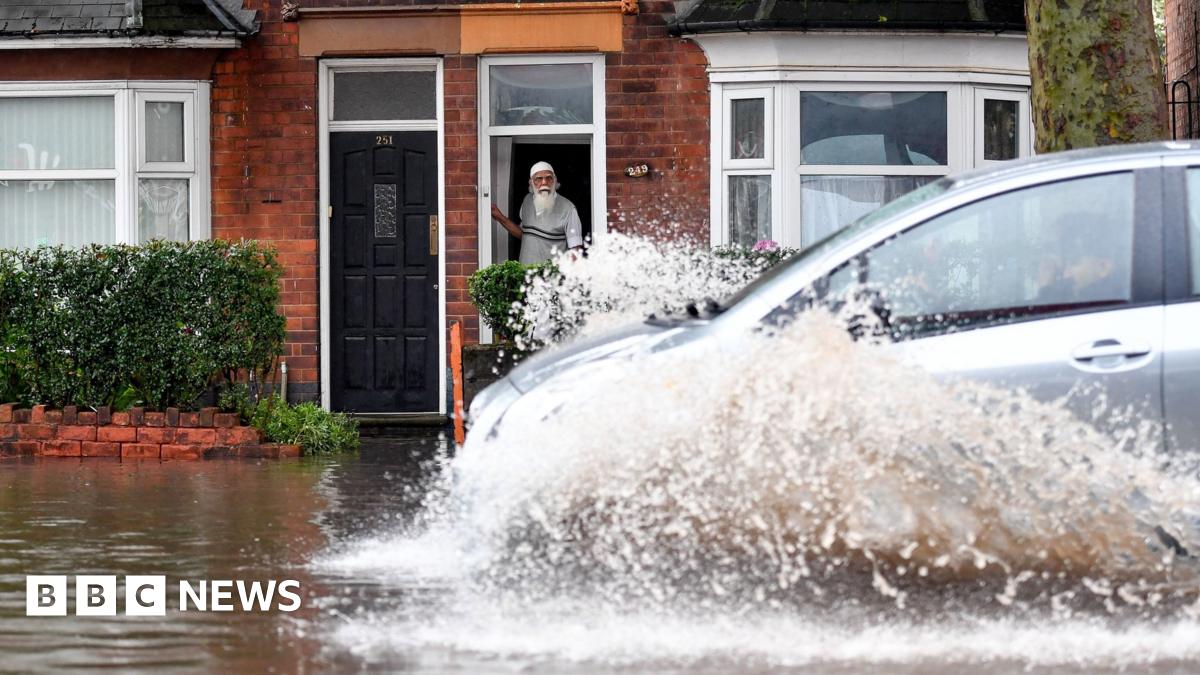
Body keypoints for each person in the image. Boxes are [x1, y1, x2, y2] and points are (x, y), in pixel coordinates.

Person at [490, 162, 584, 263]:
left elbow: (575, 250)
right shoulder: (527, 201)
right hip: (526, 274)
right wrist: (499, 217)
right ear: (531, 183)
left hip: (552, 276)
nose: (544, 182)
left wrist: (560, 275)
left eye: (549, 178)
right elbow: (524, 235)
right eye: (538, 179)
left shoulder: (568, 208)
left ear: (555, 181)